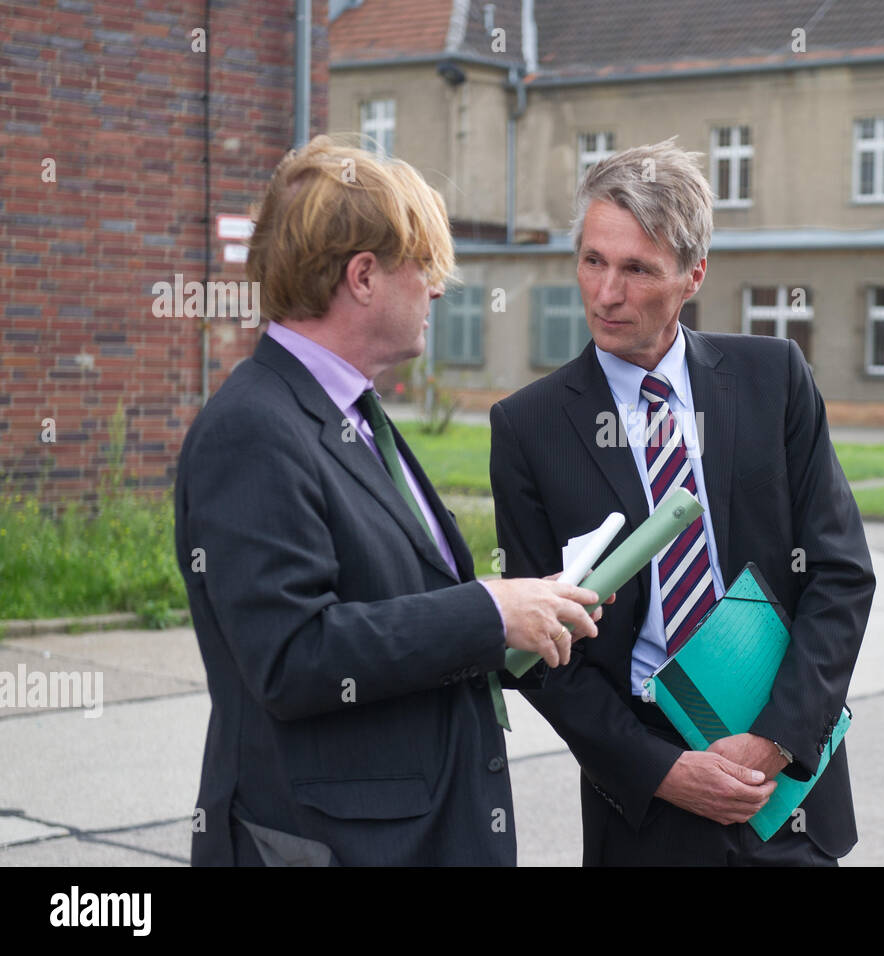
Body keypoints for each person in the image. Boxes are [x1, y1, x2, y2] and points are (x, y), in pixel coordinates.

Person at [174, 135, 603, 866]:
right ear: (364, 276)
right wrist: (489, 609)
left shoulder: (348, 411)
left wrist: (526, 613)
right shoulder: (252, 429)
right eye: (423, 266)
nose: (437, 287)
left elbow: (399, 606)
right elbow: (292, 655)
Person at [489, 139, 875, 865]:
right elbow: (537, 652)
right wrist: (661, 771)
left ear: (694, 274)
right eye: (593, 260)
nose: (606, 293)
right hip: (644, 798)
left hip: (786, 785)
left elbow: (841, 574)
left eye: (637, 269)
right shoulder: (529, 427)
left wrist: (777, 739)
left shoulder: (774, 379)